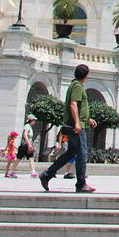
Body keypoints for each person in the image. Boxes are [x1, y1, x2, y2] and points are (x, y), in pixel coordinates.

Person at [39, 64, 97, 192]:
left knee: (71, 153)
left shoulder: (74, 84)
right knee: (82, 154)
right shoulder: (77, 86)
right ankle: (81, 184)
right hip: (77, 127)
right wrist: (77, 122)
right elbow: (73, 104)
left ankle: (47, 174)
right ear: (86, 75)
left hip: (78, 123)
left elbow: (78, 107)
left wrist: (87, 119)